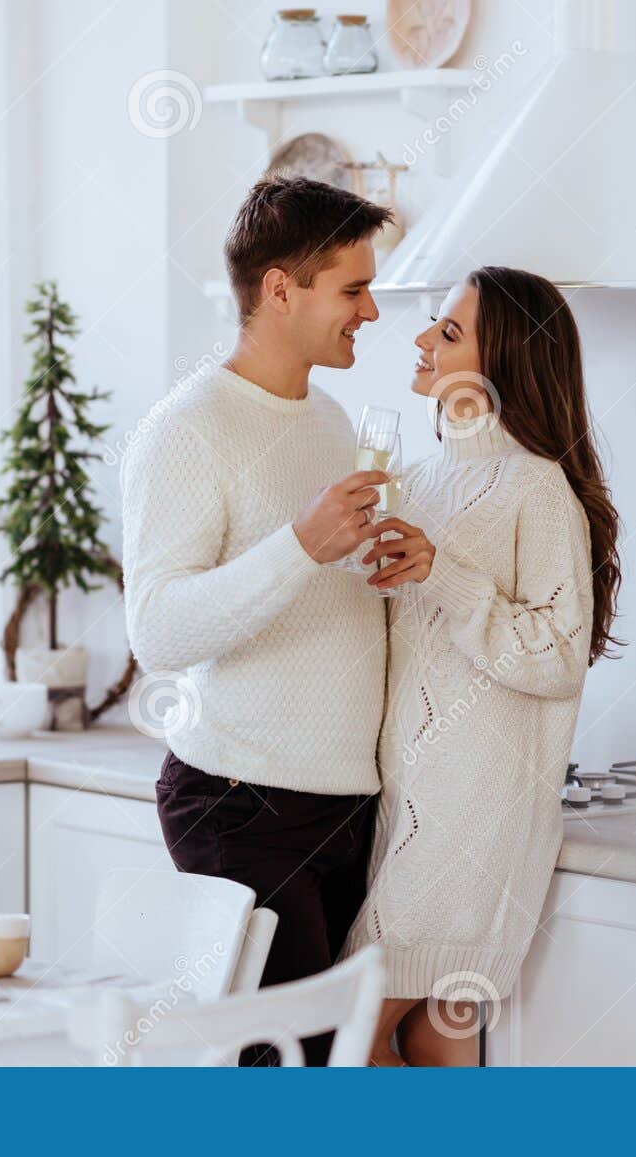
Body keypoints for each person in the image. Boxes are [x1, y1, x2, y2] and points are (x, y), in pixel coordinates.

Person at [120, 175, 398, 1065]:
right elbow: (158, 632)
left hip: (344, 804)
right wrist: (302, 545)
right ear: (282, 290)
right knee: (293, 1077)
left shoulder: (331, 418)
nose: (373, 311)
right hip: (244, 802)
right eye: (352, 289)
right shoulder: (188, 429)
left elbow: (318, 604)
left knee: (314, 1069)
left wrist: (389, 570)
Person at [340, 266, 624, 1066]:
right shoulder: (421, 482)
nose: (424, 339)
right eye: (435, 324)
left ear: (505, 364)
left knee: (352, 1032)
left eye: (451, 332)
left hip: (473, 822)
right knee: (433, 1037)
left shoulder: (536, 489)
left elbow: (560, 655)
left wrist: (444, 574)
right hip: (409, 807)